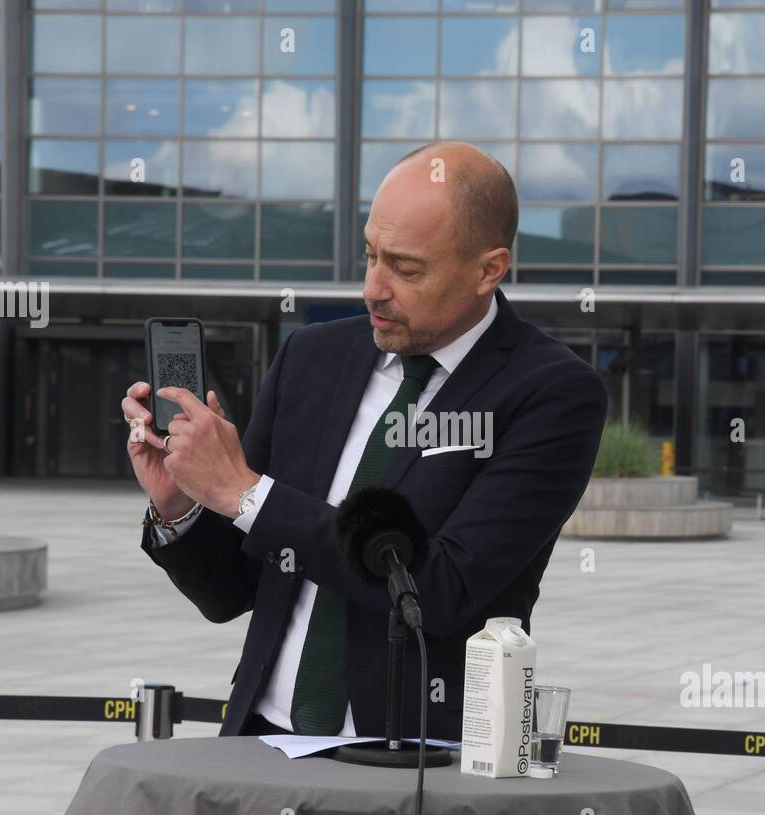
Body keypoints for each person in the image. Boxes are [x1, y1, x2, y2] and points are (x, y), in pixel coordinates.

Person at [121, 141, 608, 741]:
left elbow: (444, 590)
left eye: (405, 268)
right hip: (263, 741)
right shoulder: (311, 357)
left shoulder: (553, 392)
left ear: (489, 269)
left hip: (426, 764)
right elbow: (233, 592)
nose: (373, 288)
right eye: (370, 254)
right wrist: (186, 505)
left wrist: (247, 493)